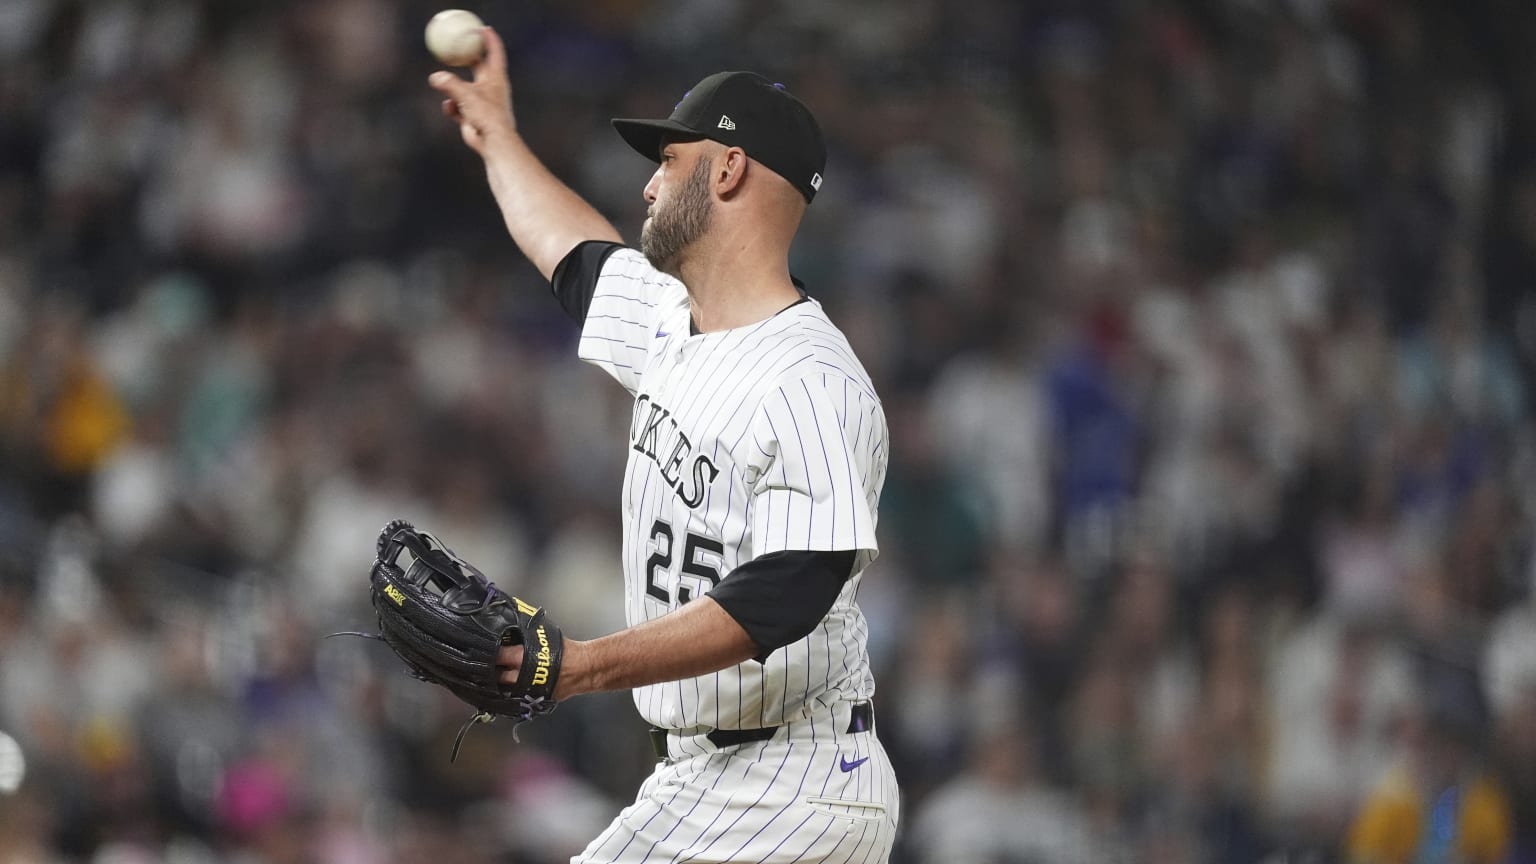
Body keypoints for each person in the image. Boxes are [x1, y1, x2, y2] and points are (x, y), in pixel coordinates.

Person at [427, 27, 899, 864]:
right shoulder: (673, 320)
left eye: (668, 162)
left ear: (728, 168)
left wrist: (578, 667)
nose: (647, 185)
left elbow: (786, 595)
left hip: (792, 780)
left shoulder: (813, 381)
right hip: (708, 782)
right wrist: (498, 136)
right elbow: (570, 252)